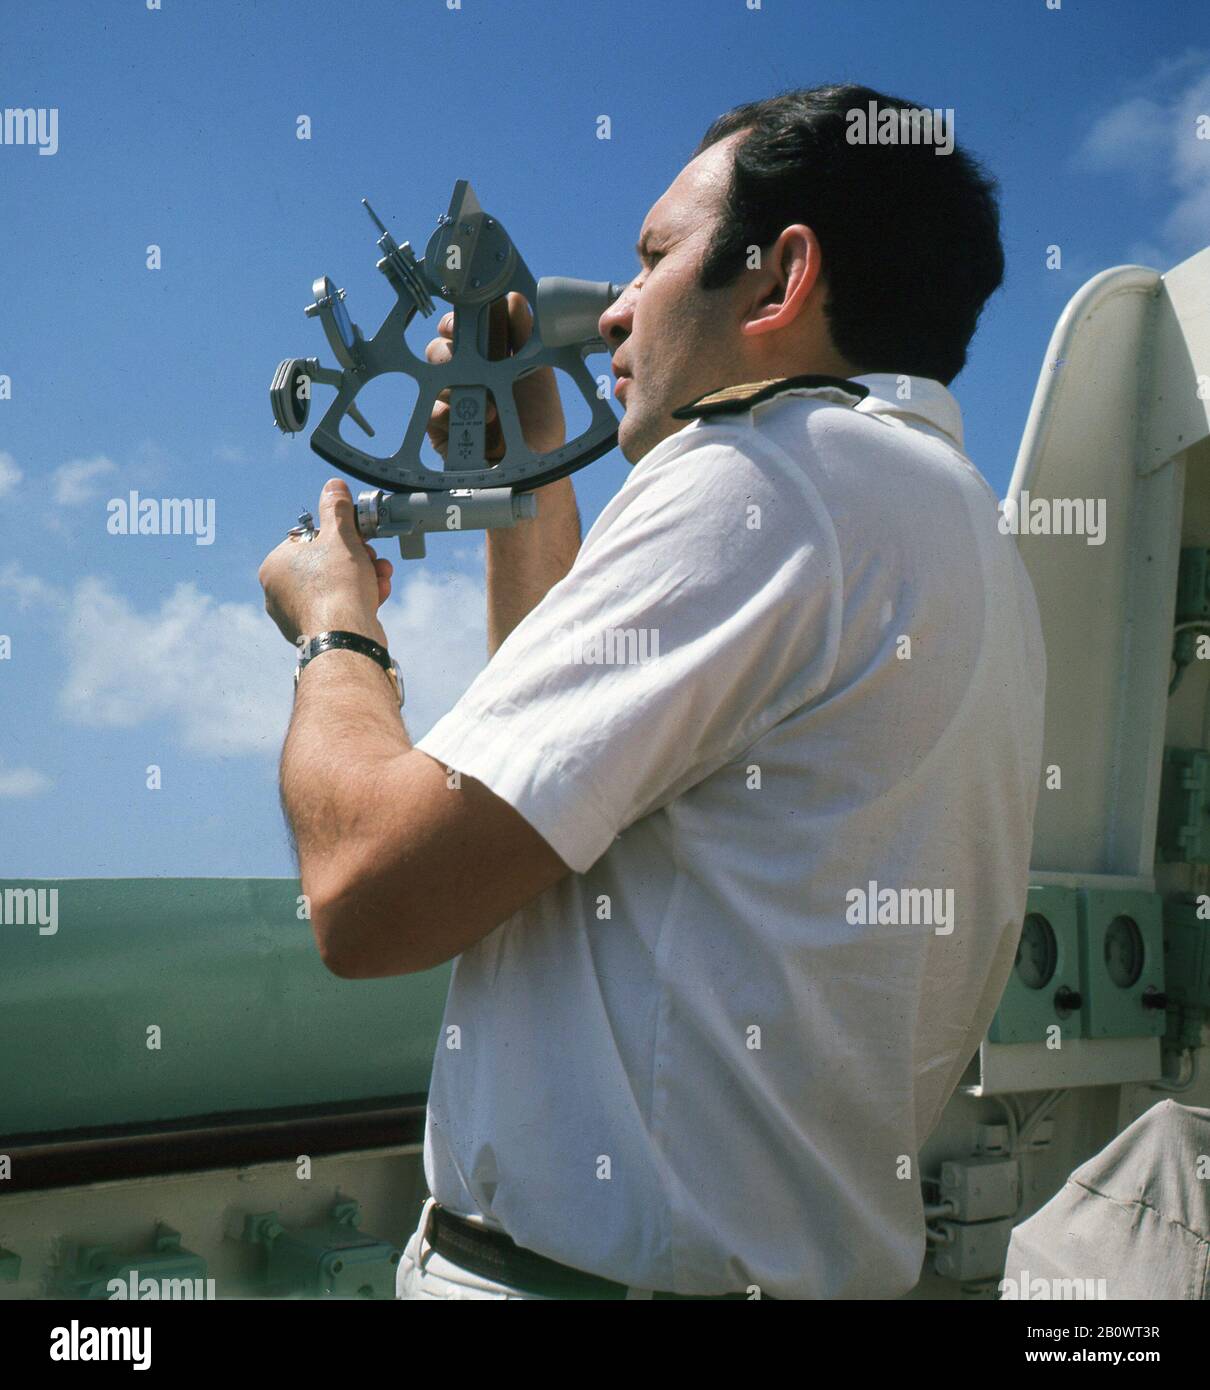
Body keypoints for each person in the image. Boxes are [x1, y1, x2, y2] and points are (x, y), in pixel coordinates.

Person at [258, 84, 1047, 1300]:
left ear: (780, 280)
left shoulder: (764, 477)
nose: (615, 310)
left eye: (655, 259)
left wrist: (335, 632)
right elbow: (568, 782)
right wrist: (532, 444)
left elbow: (369, 893)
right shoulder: (946, 521)